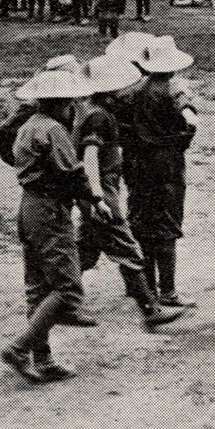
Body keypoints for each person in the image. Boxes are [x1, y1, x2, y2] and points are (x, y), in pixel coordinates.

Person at [2, 69, 108, 384]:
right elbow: (71, 174)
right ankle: (20, 348)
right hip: (49, 210)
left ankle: (43, 359)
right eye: (70, 102)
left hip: (29, 206)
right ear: (62, 103)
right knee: (68, 287)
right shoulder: (53, 130)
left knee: (38, 287)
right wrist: (95, 200)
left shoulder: (28, 126)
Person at [72, 56, 188, 330]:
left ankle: (55, 296)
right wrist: (98, 196)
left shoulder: (89, 110)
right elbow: (90, 156)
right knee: (128, 250)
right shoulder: (100, 117)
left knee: (86, 250)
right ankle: (150, 309)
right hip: (102, 193)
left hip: (92, 191)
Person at [120, 36, 199, 307]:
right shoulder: (174, 89)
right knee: (166, 225)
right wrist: (182, 137)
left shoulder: (132, 90)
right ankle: (168, 290)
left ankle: (147, 287)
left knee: (142, 222)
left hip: (136, 163)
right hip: (166, 165)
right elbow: (191, 121)